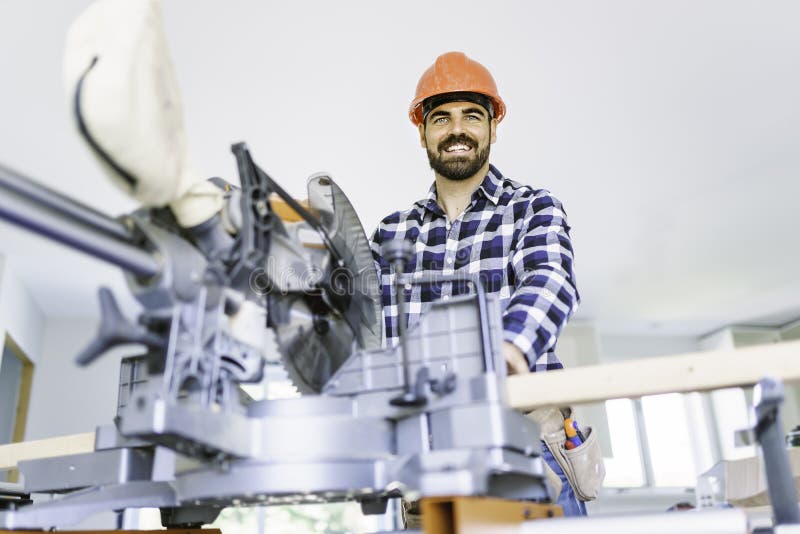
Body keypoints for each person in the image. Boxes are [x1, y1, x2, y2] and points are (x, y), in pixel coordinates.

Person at [369, 51, 586, 517]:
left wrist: (508, 348)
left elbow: (551, 279)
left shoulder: (531, 208)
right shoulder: (390, 234)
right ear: (423, 132)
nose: (457, 130)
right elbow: (347, 311)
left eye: (472, 115)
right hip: (425, 464)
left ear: (492, 127)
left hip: (526, 445)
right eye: (441, 118)